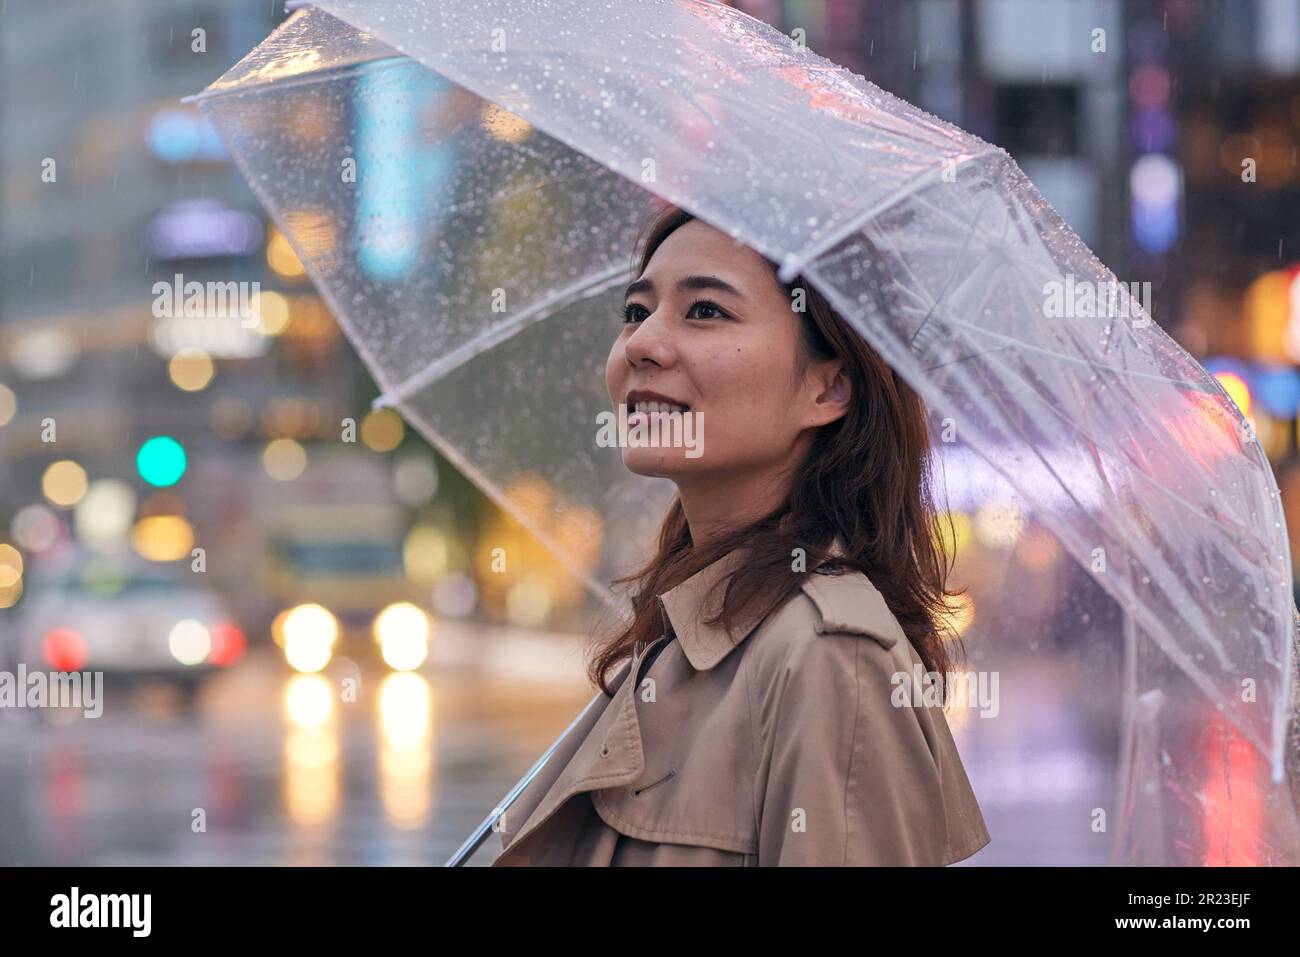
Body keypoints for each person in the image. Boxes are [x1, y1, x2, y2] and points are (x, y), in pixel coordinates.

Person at [491, 203, 990, 866]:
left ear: (830, 386)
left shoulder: (832, 660)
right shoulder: (683, 632)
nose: (642, 343)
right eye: (637, 311)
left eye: (704, 311)